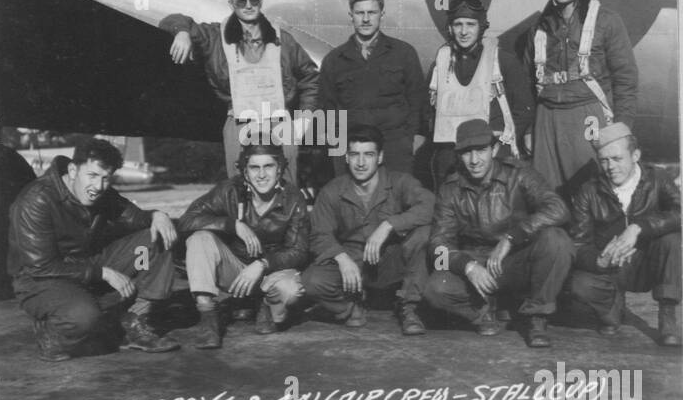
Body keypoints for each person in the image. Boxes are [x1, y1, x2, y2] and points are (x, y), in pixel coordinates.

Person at [7, 138, 180, 360]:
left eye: (106, 178)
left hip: (88, 264)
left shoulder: (101, 193)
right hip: (39, 280)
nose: (98, 187)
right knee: (83, 317)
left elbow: (134, 217)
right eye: (92, 176)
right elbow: (41, 266)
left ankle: (134, 319)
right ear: (72, 170)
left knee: (154, 239)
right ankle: (53, 331)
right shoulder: (36, 200)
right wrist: (104, 273)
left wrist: (157, 215)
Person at [161, 0, 319, 189]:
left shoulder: (283, 40)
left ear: (261, 1)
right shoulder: (215, 36)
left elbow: (311, 77)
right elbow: (173, 19)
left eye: (254, 0)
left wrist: (304, 119)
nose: (248, 6)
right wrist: (182, 33)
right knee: (238, 188)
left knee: (286, 188)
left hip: (280, 124)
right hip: (240, 123)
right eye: (241, 1)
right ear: (231, 4)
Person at [424, 119, 572, 347]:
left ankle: (537, 317)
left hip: (515, 260)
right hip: (477, 263)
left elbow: (558, 209)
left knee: (557, 240)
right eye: (466, 153)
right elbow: (437, 245)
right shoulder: (450, 189)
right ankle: (484, 312)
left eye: (481, 150)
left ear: (494, 149)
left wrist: (511, 237)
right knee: (435, 289)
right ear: (458, 155)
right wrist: (468, 267)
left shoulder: (519, 174)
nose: (474, 160)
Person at [522, 0, 639, 199]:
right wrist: (529, 129)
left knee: (595, 198)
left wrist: (622, 129)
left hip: (590, 118)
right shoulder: (538, 30)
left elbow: (626, 80)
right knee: (548, 199)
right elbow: (528, 86)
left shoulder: (607, 22)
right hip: (548, 120)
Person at [300, 124, 433, 336]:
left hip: (390, 258)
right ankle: (353, 304)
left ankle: (408, 305)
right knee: (310, 281)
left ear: (380, 157)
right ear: (346, 157)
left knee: (424, 233)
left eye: (368, 155)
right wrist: (341, 258)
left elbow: (430, 206)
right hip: (353, 262)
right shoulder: (333, 190)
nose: (361, 163)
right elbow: (319, 233)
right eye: (355, 155)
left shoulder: (399, 182)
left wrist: (389, 225)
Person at [177, 144, 310, 347]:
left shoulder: (293, 197)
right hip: (236, 270)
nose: (262, 174)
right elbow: (186, 221)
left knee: (290, 290)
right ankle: (208, 318)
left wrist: (263, 264)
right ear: (245, 172)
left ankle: (265, 304)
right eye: (254, 168)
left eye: (269, 166)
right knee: (199, 239)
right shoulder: (229, 190)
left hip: (272, 271)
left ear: (280, 169)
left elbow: (299, 251)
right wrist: (232, 225)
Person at [568, 123, 682, 346]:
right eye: (604, 160)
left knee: (671, 239)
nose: (610, 167)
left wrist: (638, 227)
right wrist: (599, 260)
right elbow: (578, 244)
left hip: (648, 263)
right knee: (577, 284)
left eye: (617, 159)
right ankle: (611, 307)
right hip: (612, 268)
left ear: (635, 155)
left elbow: (682, 212)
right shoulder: (589, 191)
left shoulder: (657, 179)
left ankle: (667, 315)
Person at [425, 0, 535, 189]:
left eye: (470, 24)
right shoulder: (440, 64)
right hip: (452, 154)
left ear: (481, 27)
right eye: (458, 24)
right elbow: (427, 111)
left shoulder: (502, 61)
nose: (464, 31)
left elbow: (523, 110)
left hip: (492, 152)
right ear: (450, 28)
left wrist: (500, 142)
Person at [316, 0, 427, 178]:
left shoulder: (404, 53)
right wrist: (336, 147)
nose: (366, 19)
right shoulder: (334, 60)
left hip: (395, 147)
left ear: (381, 14)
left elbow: (417, 101)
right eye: (360, 13)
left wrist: (412, 140)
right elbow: (326, 107)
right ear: (351, 16)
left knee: (395, 202)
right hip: (351, 149)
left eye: (372, 12)